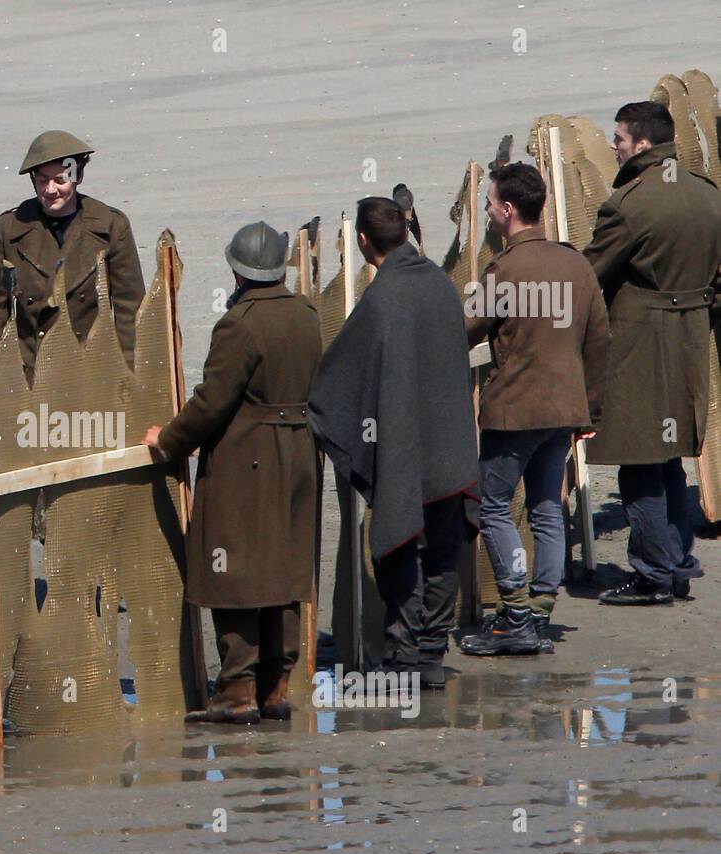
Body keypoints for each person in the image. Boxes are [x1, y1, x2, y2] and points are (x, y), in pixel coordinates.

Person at [144, 222, 321, 723]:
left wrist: (169, 440)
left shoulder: (238, 325)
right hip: (299, 452)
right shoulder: (306, 313)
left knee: (235, 569)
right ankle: (276, 689)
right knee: (284, 570)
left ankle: (237, 693)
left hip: (248, 460)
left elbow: (211, 402)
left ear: (238, 270)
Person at [307, 198, 479, 687]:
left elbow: (338, 376)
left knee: (402, 545)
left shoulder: (383, 300)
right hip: (450, 444)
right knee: (444, 550)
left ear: (363, 241)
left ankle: (406, 656)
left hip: (407, 445)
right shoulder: (440, 284)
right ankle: (429, 653)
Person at [460, 163, 609, 656]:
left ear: (507, 210)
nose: (485, 210)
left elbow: (468, 329)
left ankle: (516, 613)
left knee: (490, 502)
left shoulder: (507, 268)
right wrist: (591, 411)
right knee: (547, 506)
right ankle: (540, 609)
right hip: (564, 409)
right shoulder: (576, 264)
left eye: (488, 203)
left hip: (517, 409)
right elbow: (599, 339)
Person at [581, 101, 721, 605]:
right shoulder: (707, 195)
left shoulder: (629, 203)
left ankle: (652, 574)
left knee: (639, 458)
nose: (613, 146)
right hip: (690, 335)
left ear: (641, 143)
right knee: (668, 455)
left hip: (641, 341)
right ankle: (677, 561)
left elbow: (589, 273)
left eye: (618, 138)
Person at [0, 130, 145, 379]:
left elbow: (129, 310)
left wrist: (128, 376)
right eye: (42, 180)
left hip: (91, 370)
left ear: (77, 176)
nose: (50, 190)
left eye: (60, 179)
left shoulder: (111, 226)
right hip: (31, 372)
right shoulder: (10, 227)